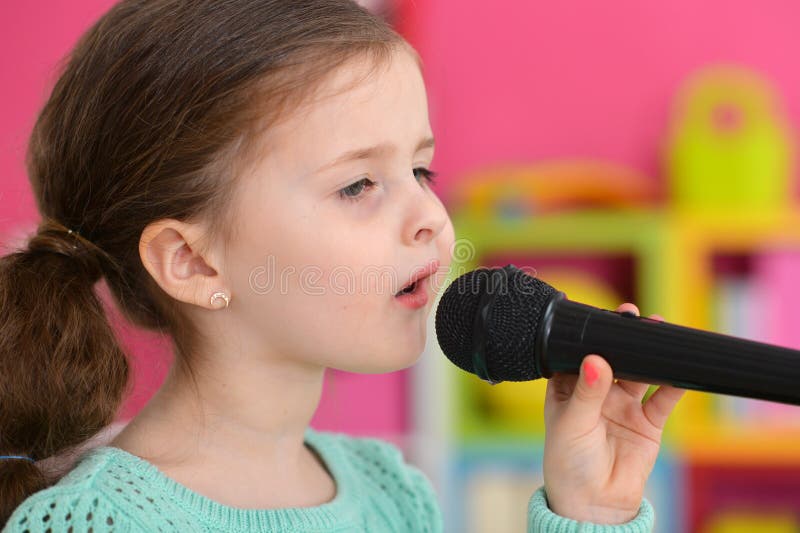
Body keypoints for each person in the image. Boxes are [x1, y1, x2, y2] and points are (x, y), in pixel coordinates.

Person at [0, 1, 684, 531]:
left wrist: (589, 510)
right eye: (357, 185)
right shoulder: (100, 520)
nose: (432, 218)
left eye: (421, 168)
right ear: (193, 262)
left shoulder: (391, 491)